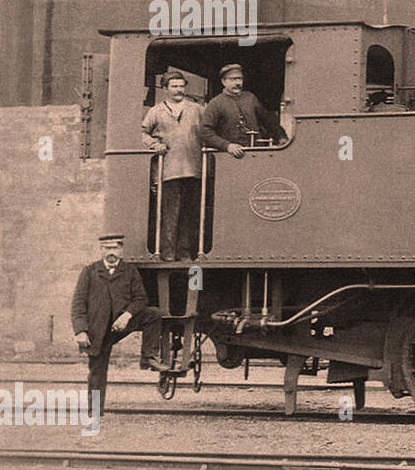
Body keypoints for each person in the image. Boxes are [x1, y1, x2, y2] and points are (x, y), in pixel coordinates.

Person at [71, 233, 165, 419]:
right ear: (101, 250)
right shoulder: (89, 271)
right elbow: (78, 303)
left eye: (114, 248)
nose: (111, 252)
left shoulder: (130, 271)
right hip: (98, 329)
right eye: (107, 248)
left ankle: (148, 356)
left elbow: (141, 298)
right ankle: (94, 411)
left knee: (154, 314)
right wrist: (80, 330)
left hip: (123, 323)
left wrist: (127, 315)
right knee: (97, 370)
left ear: (121, 250)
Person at [141, 70, 204, 261]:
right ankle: (168, 253)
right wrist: (154, 144)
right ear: (165, 88)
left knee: (189, 214)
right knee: (169, 214)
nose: (178, 90)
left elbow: (209, 130)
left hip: (193, 169)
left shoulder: (196, 109)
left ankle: (184, 253)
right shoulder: (156, 111)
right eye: (174, 86)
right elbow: (142, 133)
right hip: (168, 170)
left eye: (181, 85)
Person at [198, 63, 286, 157]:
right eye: (233, 79)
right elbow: (205, 131)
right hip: (229, 157)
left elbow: (268, 120)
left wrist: (281, 137)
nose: (238, 83)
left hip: (255, 155)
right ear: (223, 82)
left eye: (240, 78)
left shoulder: (250, 98)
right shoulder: (215, 103)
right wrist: (227, 146)